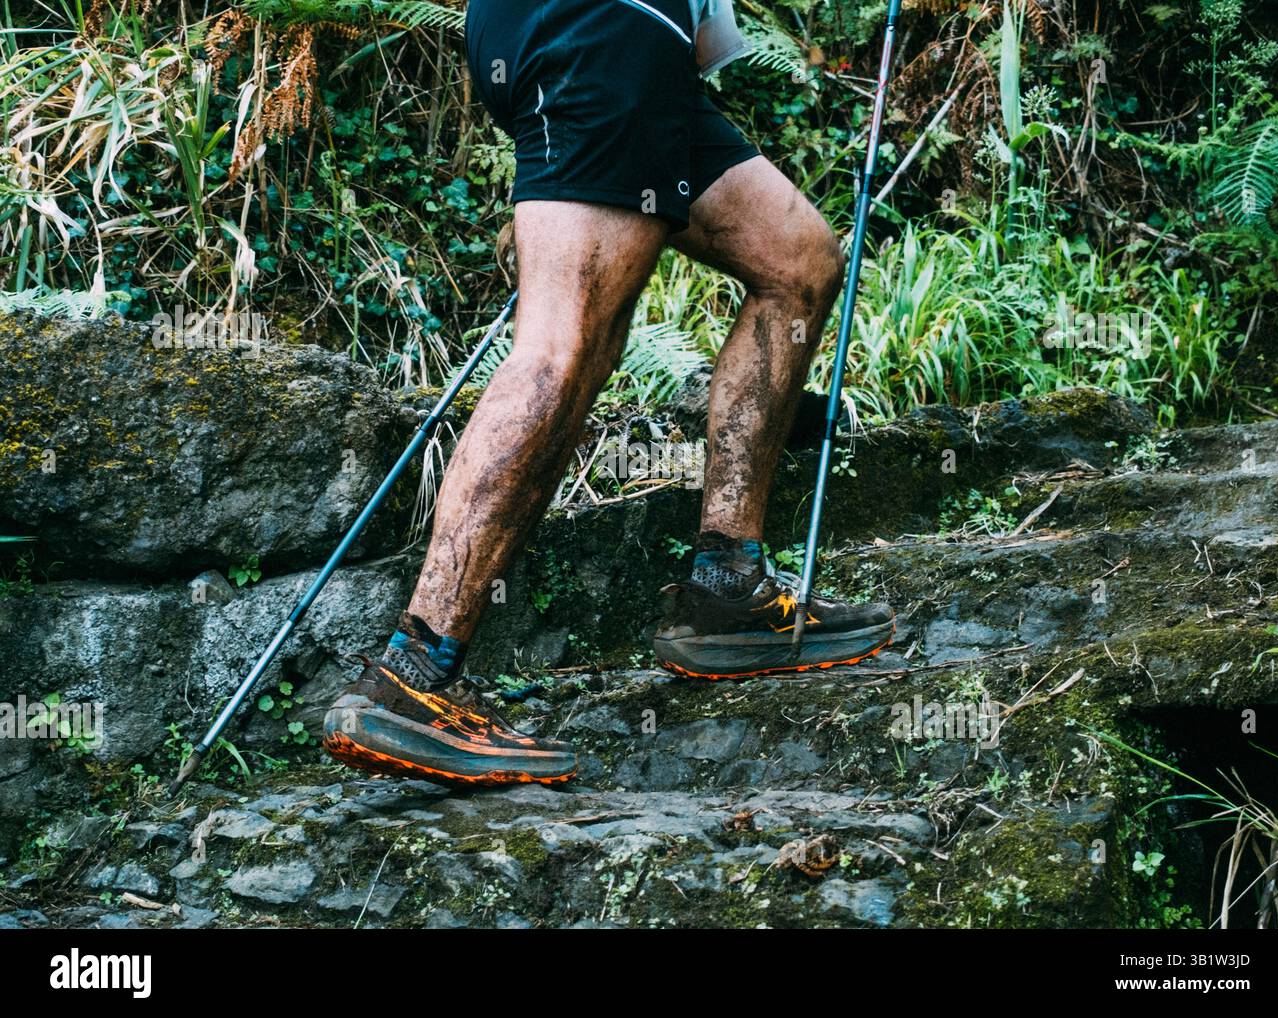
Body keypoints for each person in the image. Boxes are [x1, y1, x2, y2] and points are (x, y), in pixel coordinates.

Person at [322, 0, 894, 786]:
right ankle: (413, 676)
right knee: (561, 348)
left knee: (796, 263)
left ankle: (727, 589)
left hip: (636, 48)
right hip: (601, 28)